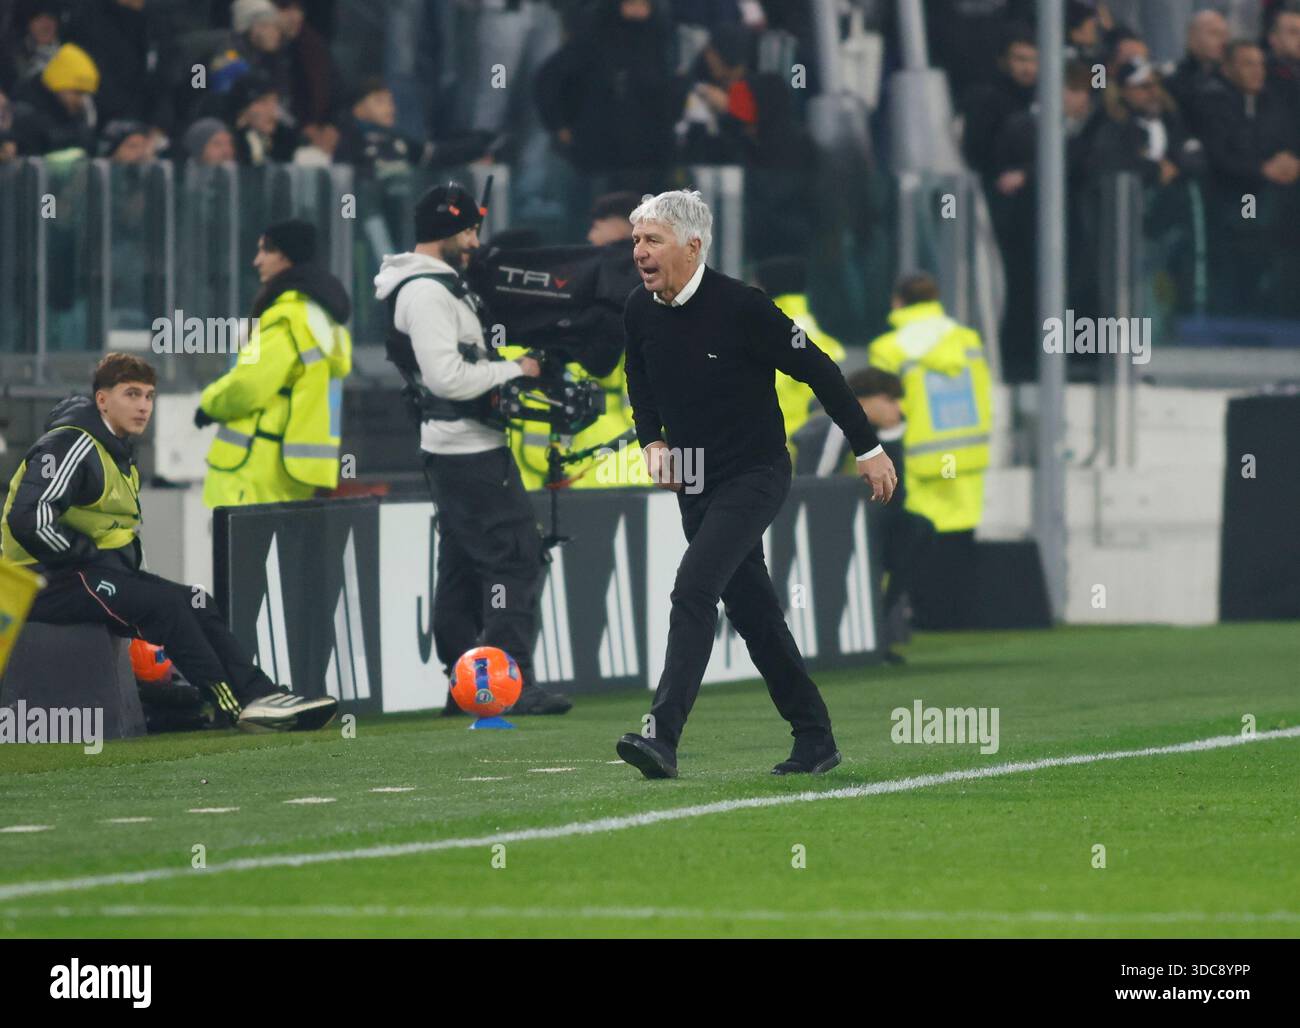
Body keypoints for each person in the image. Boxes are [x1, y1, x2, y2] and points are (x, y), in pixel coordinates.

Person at [615, 189, 896, 780]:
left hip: (755, 472)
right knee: (755, 613)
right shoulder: (639, 309)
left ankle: (662, 737)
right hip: (693, 477)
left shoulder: (744, 307)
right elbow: (636, 374)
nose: (638, 251)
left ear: (692, 247)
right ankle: (815, 737)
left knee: (693, 587)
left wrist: (867, 447)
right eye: (636, 240)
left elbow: (819, 368)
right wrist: (651, 440)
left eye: (651, 240)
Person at [0, 353, 338, 732]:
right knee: (164, 607)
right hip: (34, 581)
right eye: (131, 394)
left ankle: (260, 694)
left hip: (79, 574)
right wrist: (89, 555)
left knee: (196, 600)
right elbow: (29, 519)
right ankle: (233, 706)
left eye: (148, 396)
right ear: (102, 400)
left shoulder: (118, 452)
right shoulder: (72, 444)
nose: (143, 406)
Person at [373, 183, 572, 716]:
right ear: (448, 232)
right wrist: (517, 369)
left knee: (462, 568)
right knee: (515, 559)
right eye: (469, 230)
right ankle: (509, 683)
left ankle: (466, 688)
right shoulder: (428, 292)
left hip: (456, 449)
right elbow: (448, 378)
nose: (475, 241)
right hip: (468, 449)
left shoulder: (429, 286)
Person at [197, 219, 353, 508]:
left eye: (265, 251)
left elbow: (248, 384)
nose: (257, 261)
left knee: (240, 552)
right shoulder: (326, 320)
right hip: (294, 472)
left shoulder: (287, 317)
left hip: (255, 467)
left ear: (285, 255)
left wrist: (208, 404)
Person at [868, 272, 992, 630]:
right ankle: (959, 617)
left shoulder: (888, 348)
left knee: (919, 541)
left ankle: (921, 617)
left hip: (918, 457)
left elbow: (883, 403)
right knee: (959, 538)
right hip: (966, 456)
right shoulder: (967, 339)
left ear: (898, 302)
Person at [793, 367, 933, 656]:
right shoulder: (831, 426)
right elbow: (813, 486)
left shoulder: (878, 432)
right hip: (820, 524)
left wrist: (892, 437)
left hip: (857, 520)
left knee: (914, 528)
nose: (898, 408)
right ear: (865, 401)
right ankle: (846, 633)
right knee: (894, 529)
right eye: (891, 399)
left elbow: (894, 495)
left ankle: (878, 625)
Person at [751, 255, 846, 464]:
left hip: (774, 452)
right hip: (813, 448)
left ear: (765, 287)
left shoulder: (769, 333)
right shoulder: (820, 336)